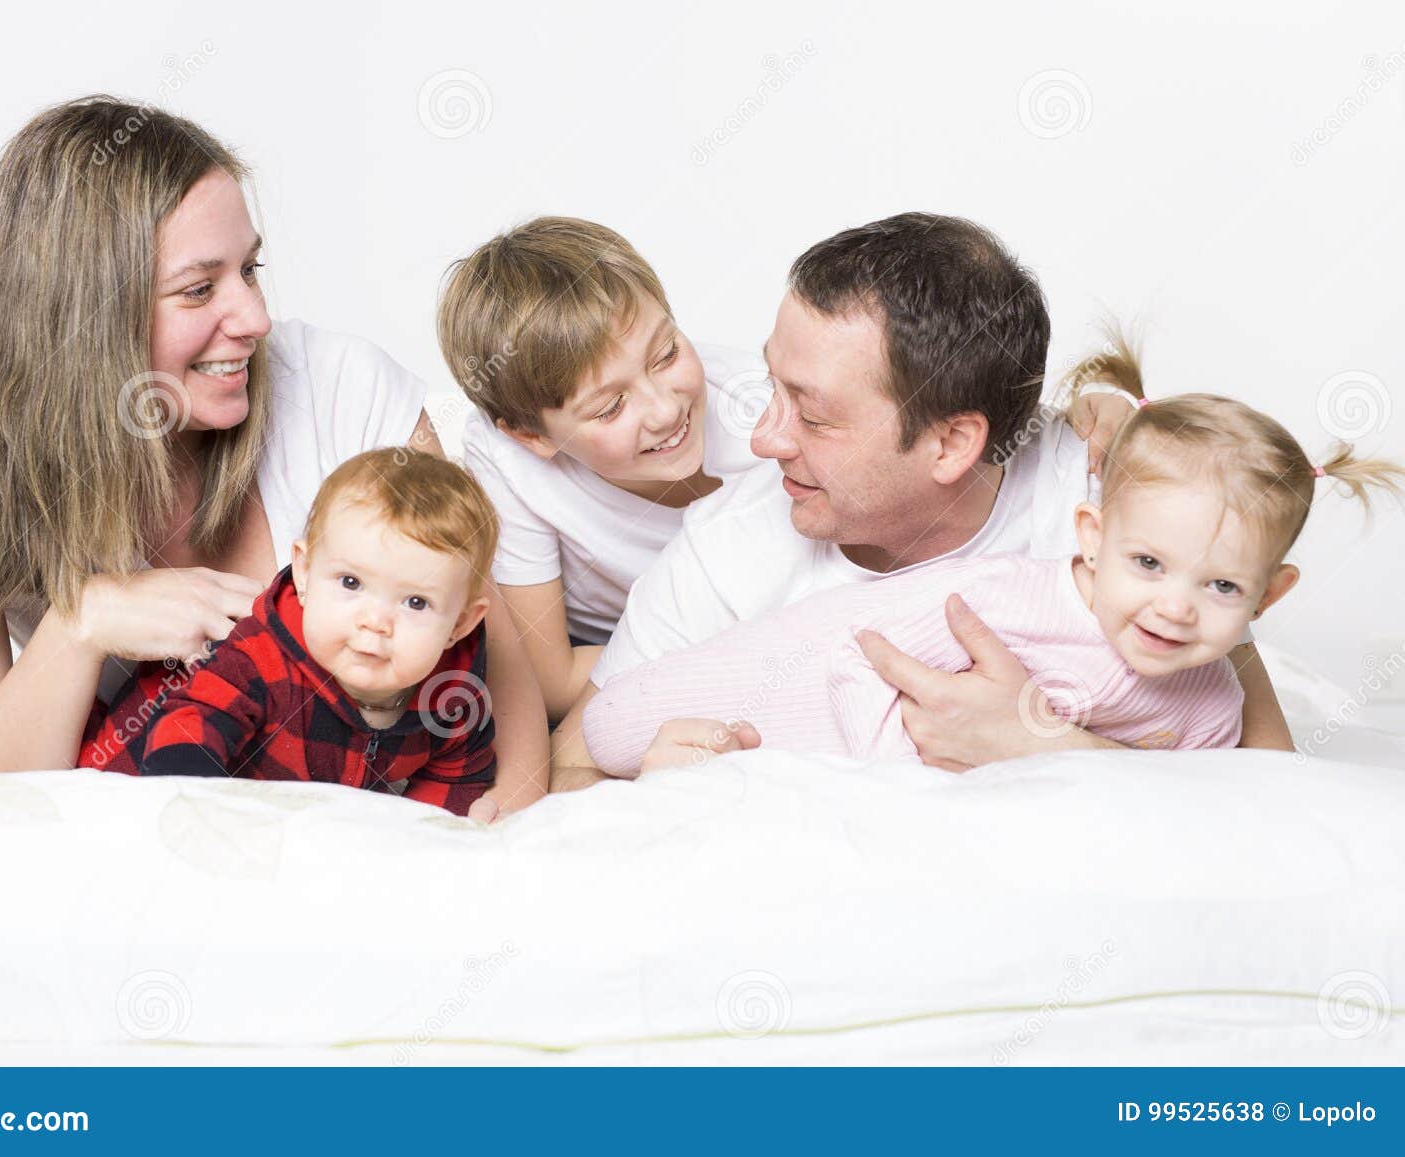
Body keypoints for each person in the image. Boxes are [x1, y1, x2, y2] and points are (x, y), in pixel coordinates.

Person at [0, 96, 547, 817]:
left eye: (250, 269)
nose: (256, 318)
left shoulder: (342, 390)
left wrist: (486, 838)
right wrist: (81, 626)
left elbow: (496, 682)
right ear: (79, 320)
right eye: (199, 289)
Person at [550, 213, 1295, 785]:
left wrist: (1047, 748)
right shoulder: (725, 550)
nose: (763, 439)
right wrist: (649, 792)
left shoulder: (1117, 512)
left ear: (951, 444)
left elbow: (1272, 784)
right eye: (771, 386)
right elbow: (572, 761)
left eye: (813, 416)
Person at [582, 333, 1403, 772]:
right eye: (1149, 565)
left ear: (1266, 595)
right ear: (1092, 538)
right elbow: (848, 660)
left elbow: (1249, 802)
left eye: (1222, 586)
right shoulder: (1003, 596)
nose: (1176, 606)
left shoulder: (1211, 687)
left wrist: (1048, 748)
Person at [438, 217, 766, 720]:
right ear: (532, 436)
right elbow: (554, 684)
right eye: (610, 408)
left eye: (666, 355)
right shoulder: (507, 460)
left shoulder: (761, 409)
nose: (665, 410)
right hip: (607, 647)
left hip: (748, 629)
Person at [82, 450, 501, 815]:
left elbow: (458, 776)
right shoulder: (257, 658)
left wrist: (412, 840)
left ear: (461, 623)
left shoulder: (453, 700)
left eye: (416, 602)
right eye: (351, 583)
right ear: (304, 572)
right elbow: (188, 727)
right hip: (134, 779)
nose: (375, 622)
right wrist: (206, 819)